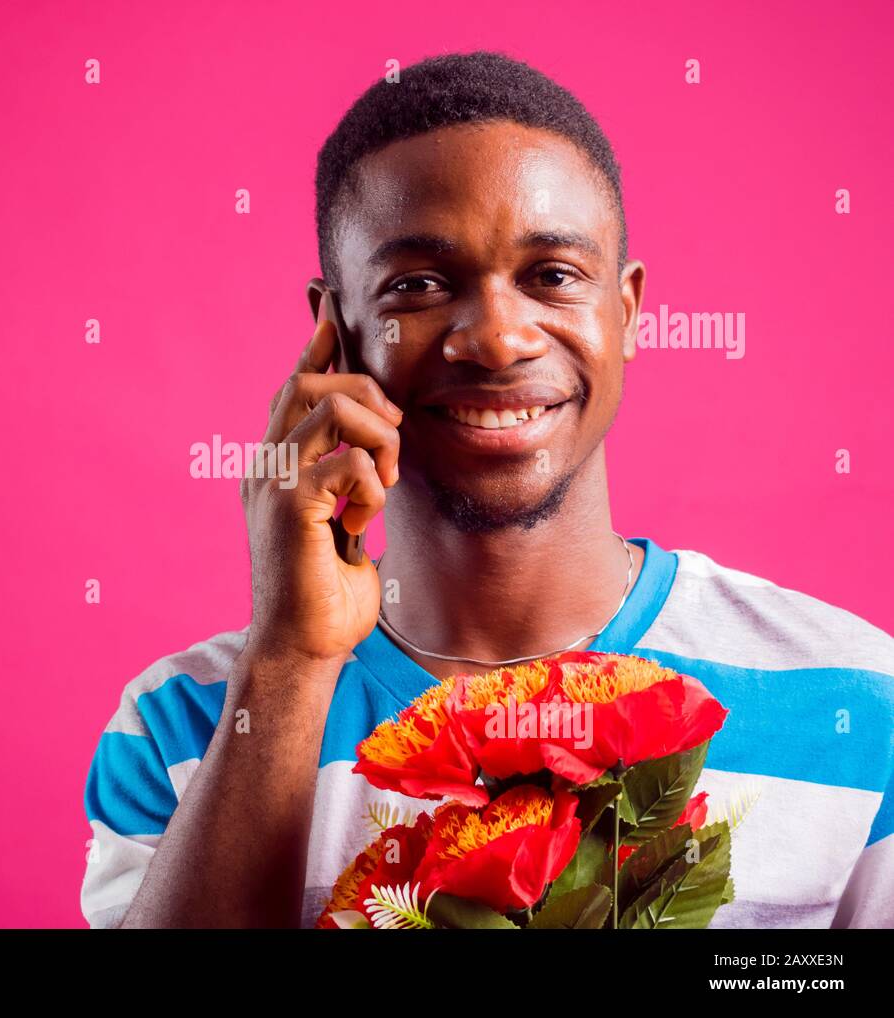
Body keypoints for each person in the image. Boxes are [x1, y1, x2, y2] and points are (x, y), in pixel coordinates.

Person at [81, 51, 894, 929]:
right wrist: (288, 664)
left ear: (627, 312)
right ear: (334, 335)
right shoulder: (184, 730)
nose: (499, 340)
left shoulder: (856, 707)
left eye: (552, 275)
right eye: (419, 286)